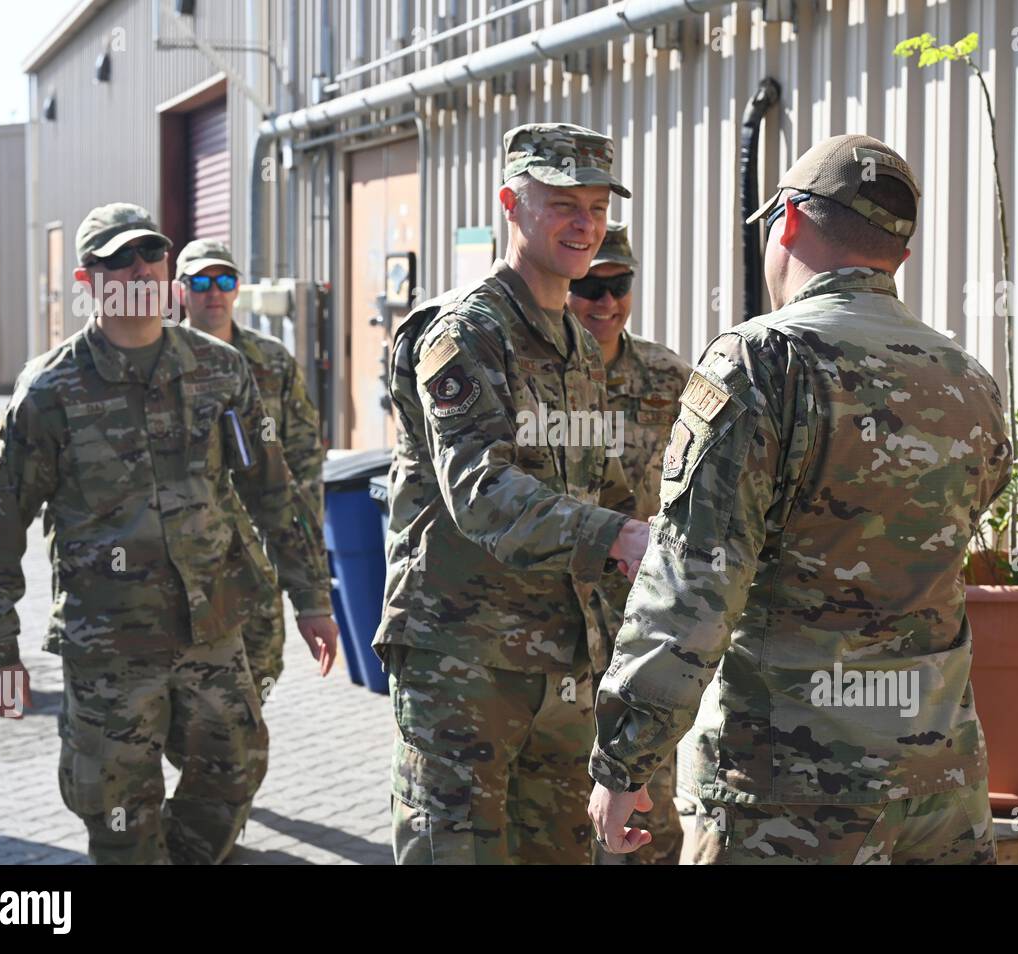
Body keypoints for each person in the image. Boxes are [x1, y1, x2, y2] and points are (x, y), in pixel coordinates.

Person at [588, 135, 1013, 864]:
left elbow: (692, 582)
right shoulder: (969, 380)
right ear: (899, 254)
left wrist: (624, 762)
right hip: (939, 788)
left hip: (786, 795)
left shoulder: (759, 362)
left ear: (786, 220)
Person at [0, 202, 338, 864]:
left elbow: (273, 491)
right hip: (109, 650)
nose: (137, 269)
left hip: (213, 632)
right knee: (118, 819)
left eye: (149, 253)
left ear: (168, 266)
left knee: (235, 774)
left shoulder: (221, 371)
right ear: (87, 281)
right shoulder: (50, 391)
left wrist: (312, 599)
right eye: (116, 259)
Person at [375, 123, 649, 864]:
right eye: (562, 201)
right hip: (465, 664)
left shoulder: (580, 348)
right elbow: (482, 492)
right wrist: (617, 538)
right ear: (511, 203)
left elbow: (610, 487)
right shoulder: (465, 333)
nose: (585, 222)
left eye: (596, 204)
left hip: (561, 663)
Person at [566, 221, 690, 865]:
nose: (605, 303)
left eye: (619, 285)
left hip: (638, 620)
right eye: (589, 287)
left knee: (648, 794)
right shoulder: (535, 380)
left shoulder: (671, 378)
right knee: (559, 796)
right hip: (554, 616)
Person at [176, 238, 324, 700]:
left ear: (238, 288)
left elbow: (303, 458)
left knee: (258, 676)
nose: (212, 292)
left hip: (258, 554)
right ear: (181, 291)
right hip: (189, 562)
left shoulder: (270, 360)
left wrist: (303, 559)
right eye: (200, 282)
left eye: (224, 280)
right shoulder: (161, 363)